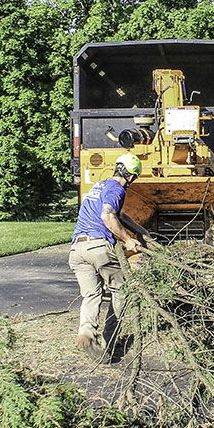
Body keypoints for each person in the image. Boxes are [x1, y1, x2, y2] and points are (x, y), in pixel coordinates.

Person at [69, 152, 151, 359]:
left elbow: (118, 214)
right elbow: (108, 216)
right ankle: (109, 341)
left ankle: (86, 334)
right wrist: (127, 239)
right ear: (130, 176)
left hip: (77, 250)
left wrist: (139, 230)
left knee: (91, 295)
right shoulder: (117, 189)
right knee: (121, 290)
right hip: (98, 247)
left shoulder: (101, 186)